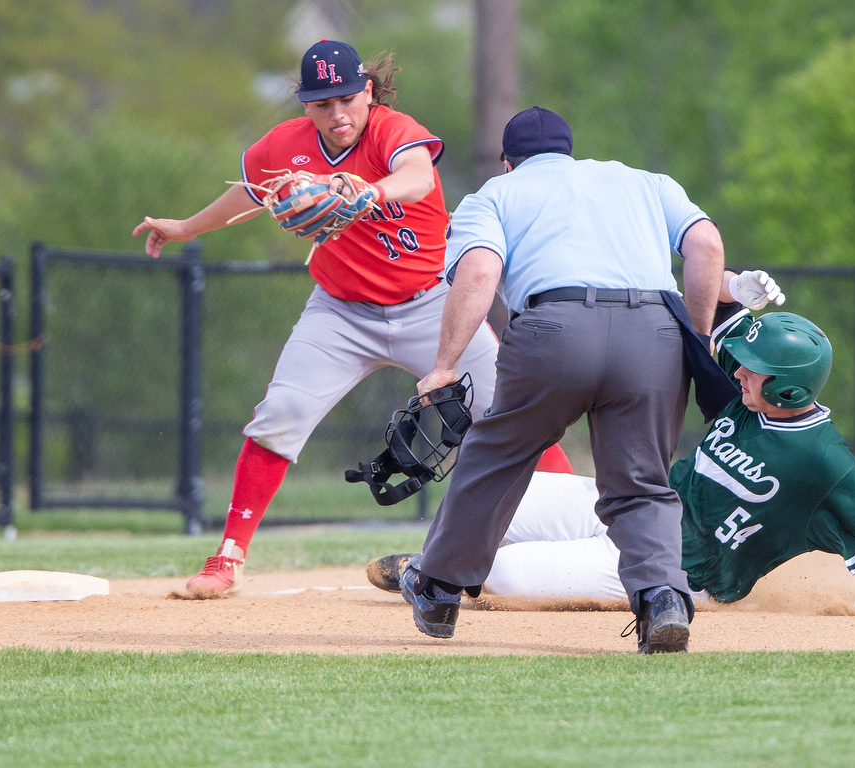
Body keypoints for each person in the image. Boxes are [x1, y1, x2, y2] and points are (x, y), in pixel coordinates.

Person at [132, 41, 570, 599]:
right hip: (339, 311)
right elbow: (249, 191)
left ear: (367, 91)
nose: (337, 114)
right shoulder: (286, 146)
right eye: (322, 104)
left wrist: (367, 191)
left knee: (515, 410)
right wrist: (187, 227)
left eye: (346, 98)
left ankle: (586, 541)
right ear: (305, 106)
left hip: (430, 304)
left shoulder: (392, 129)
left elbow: (417, 176)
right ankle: (227, 558)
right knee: (279, 415)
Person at [395, 105, 735, 653]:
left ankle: (438, 589)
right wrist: (693, 337)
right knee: (642, 482)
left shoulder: (493, 196)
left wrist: (444, 363)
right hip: (653, 331)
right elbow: (708, 247)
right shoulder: (644, 182)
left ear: (509, 163)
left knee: (498, 456)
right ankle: (663, 600)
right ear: (567, 151)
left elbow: (480, 272)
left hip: (555, 329)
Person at [371, 290, 855, 617]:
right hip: (637, 500)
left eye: (753, 367)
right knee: (490, 490)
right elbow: (715, 314)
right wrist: (732, 288)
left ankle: (438, 574)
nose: (739, 369)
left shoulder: (824, 461)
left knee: (504, 577)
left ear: (788, 389)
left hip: (666, 561)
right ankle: (441, 563)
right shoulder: (752, 399)